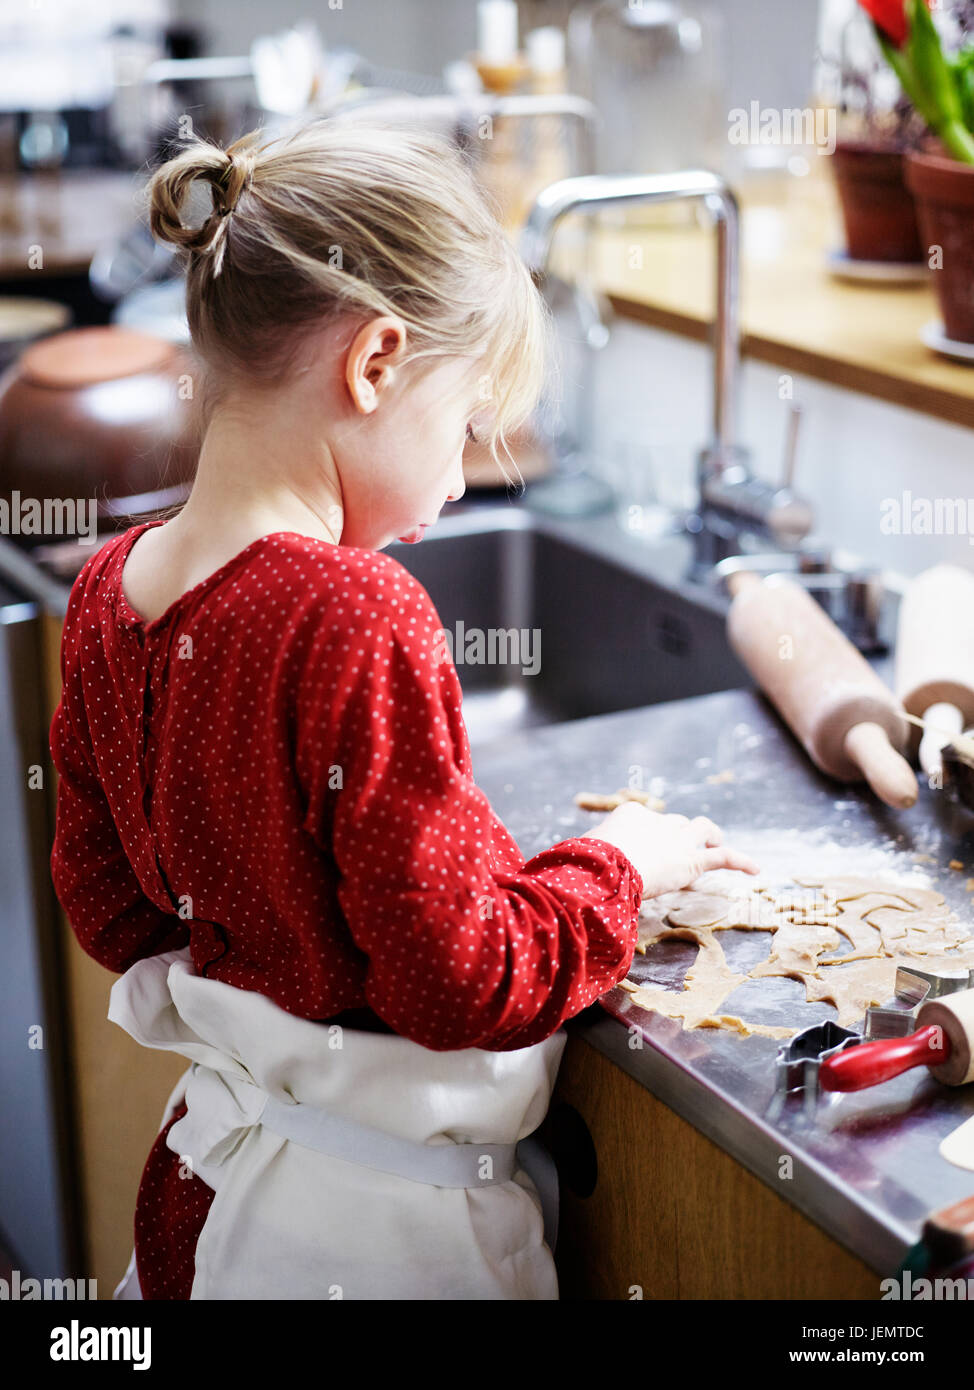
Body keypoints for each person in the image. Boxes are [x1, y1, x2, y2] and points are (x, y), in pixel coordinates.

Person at [49, 121, 758, 1301]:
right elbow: (459, 985)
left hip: (203, 1195)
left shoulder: (107, 589)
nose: (455, 479)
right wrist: (619, 863)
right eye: (467, 425)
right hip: (375, 1242)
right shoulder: (354, 608)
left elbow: (112, 913)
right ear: (375, 363)